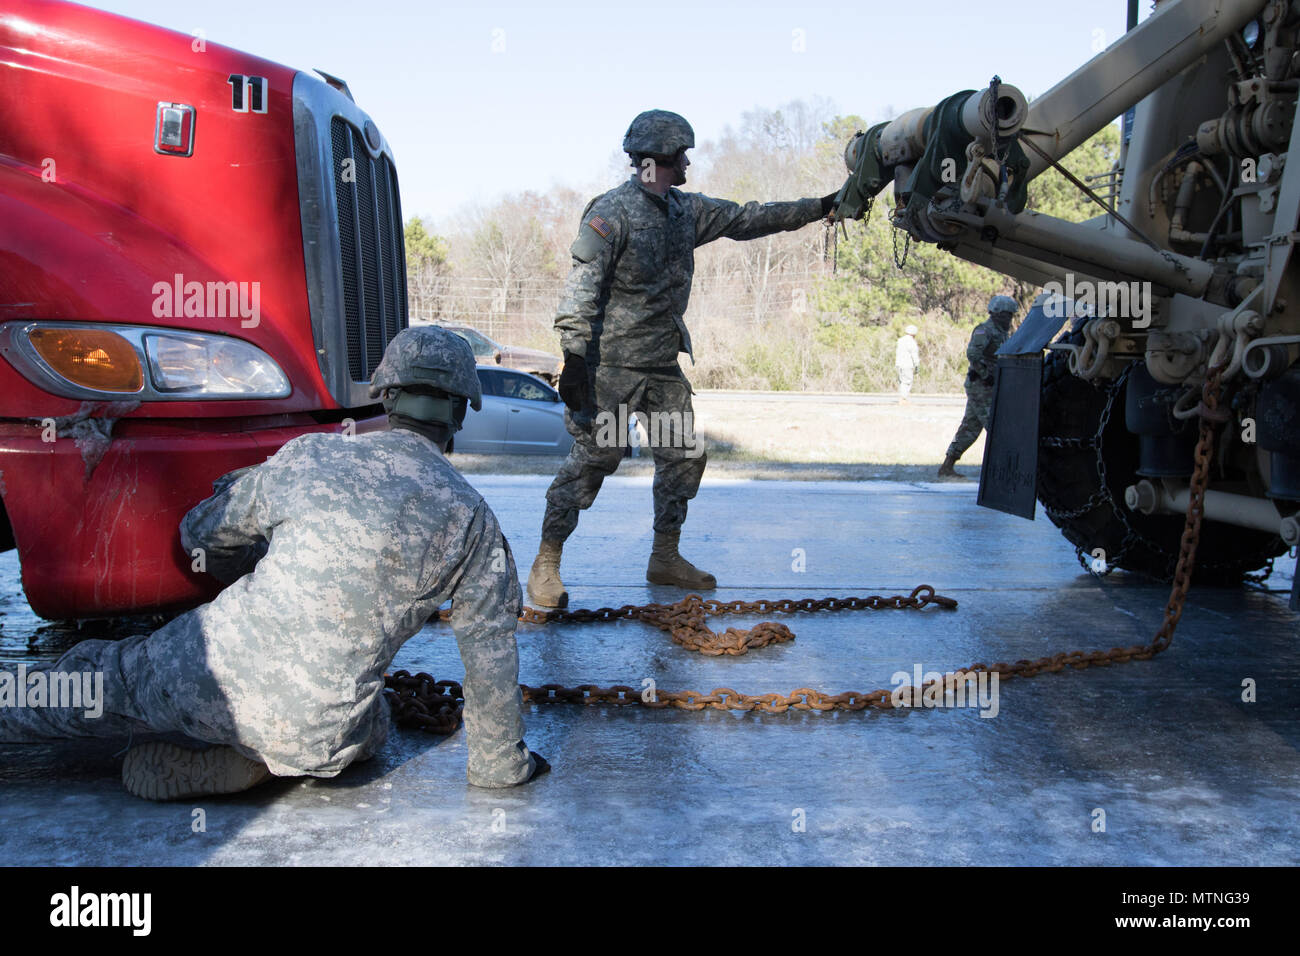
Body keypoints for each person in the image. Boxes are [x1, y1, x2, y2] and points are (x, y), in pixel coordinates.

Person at [0, 327, 547, 799]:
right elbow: (491, 660)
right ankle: (256, 760)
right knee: (372, 720)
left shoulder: (313, 455)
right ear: (461, 410)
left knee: (87, 684)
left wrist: (247, 570)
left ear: (386, 394)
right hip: (316, 733)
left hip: (202, 669)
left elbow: (202, 531)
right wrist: (503, 767)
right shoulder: (474, 522)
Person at [527, 108, 838, 608]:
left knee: (681, 458)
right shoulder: (612, 213)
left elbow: (750, 217)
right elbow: (581, 285)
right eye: (682, 154)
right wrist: (575, 357)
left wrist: (821, 206)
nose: (689, 162)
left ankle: (664, 556)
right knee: (596, 460)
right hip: (614, 373)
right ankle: (546, 563)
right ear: (658, 158)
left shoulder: (685, 211)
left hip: (661, 371)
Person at [938, 295, 1019, 478]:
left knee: (971, 427)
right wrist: (985, 374)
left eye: (1010, 315)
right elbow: (973, 354)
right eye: (1006, 315)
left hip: (989, 385)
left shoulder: (1001, 332)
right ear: (996, 314)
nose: (1008, 319)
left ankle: (947, 466)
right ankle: (1005, 468)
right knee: (996, 425)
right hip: (981, 386)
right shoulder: (986, 330)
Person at [895, 324, 920, 403]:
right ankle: (903, 399)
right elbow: (914, 355)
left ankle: (903, 398)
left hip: (899, 364)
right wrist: (917, 365)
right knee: (907, 381)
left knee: (902, 381)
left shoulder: (900, 340)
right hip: (907, 364)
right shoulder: (911, 342)